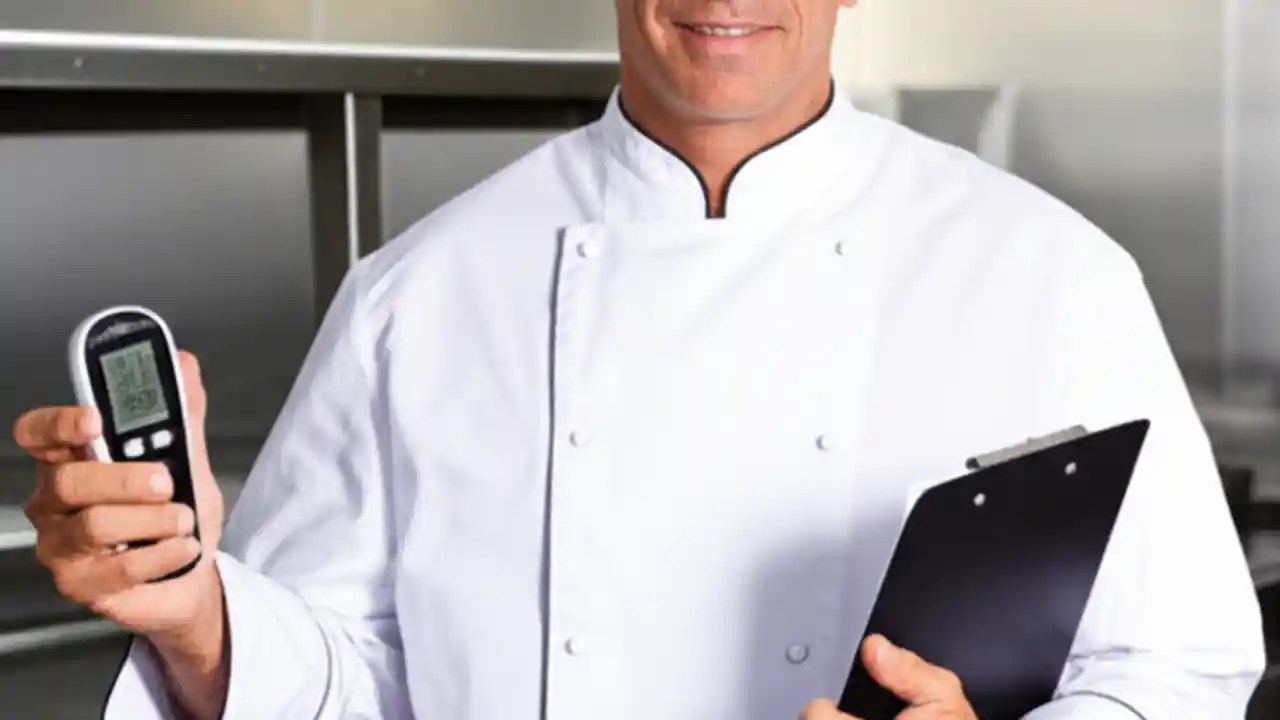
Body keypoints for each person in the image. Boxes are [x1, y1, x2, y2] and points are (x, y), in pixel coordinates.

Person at [12, 0, 1265, 717]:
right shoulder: (417, 294)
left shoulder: (1049, 274)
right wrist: (197, 617)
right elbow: (356, 683)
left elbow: (1178, 671)